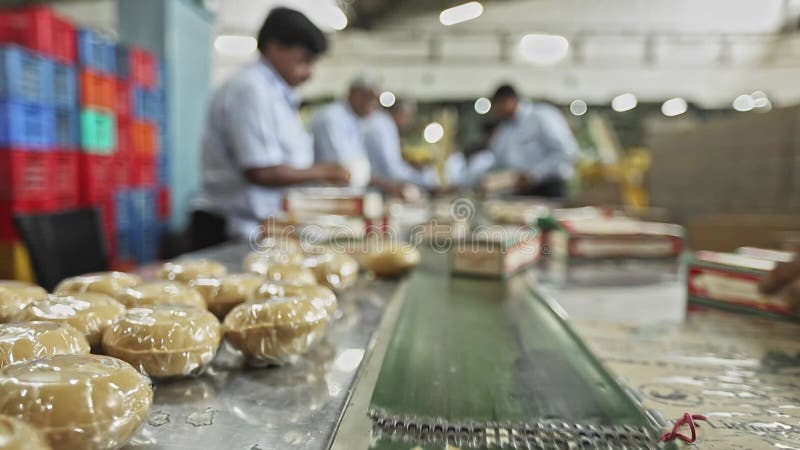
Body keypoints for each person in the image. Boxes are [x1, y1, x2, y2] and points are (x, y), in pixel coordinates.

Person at [194, 7, 350, 241]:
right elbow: (260, 171)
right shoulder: (251, 89)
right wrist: (324, 171)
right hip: (230, 227)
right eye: (304, 60)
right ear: (274, 47)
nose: (309, 73)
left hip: (259, 225)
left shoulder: (277, 95)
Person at [311, 78, 418, 199]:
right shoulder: (333, 118)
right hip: (331, 197)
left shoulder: (354, 120)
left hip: (351, 195)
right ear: (355, 95)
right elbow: (344, 171)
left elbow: (358, 170)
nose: (374, 106)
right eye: (371, 99)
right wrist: (391, 186)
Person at [486, 84, 578, 198]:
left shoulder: (542, 116)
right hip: (518, 192)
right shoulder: (504, 129)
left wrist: (534, 175)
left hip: (548, 189)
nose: (497, 111)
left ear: (509, 101)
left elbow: (566, 151)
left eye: (498, 106)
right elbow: (499, 160)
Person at [363, 98, 437, 188]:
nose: (408, 123)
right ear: (400, 113)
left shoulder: (381, 122)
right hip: (375, 185)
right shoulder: (384, 126)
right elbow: (392, 169)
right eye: (408, 117)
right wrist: (424, 180)